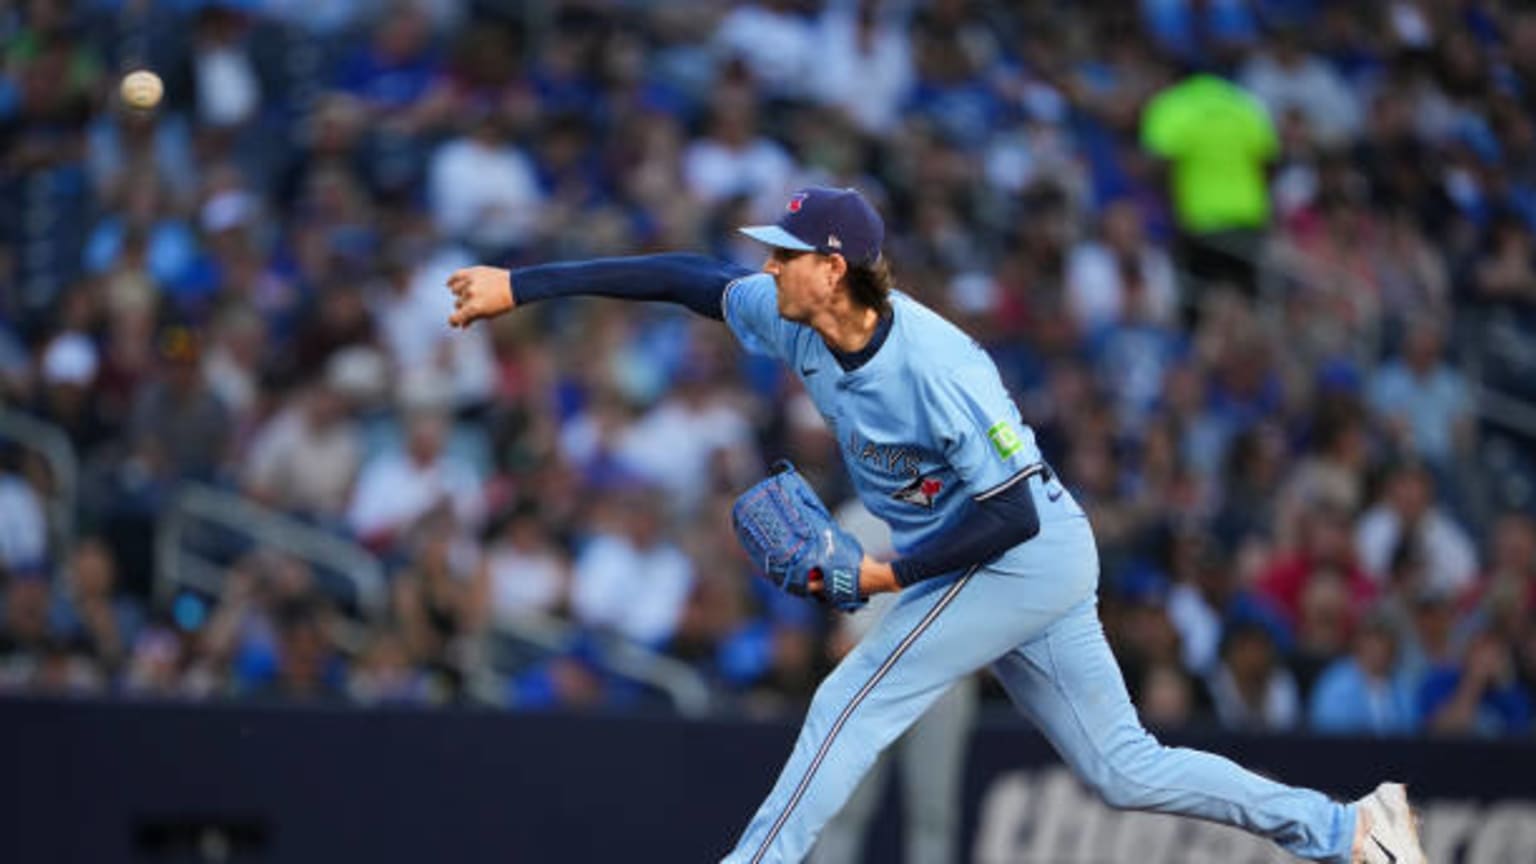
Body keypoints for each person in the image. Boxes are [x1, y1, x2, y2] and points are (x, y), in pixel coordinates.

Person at [444, 186, 1424, 864]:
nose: (767, 265)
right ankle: (1346, 831)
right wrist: (523, 287)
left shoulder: (942, 367)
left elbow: (1007, 511)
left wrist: (883, 577)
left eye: (785, 254)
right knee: (1123, 770)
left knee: (849, 697)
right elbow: (679, 276)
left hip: (1022, 550)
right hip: (992, 550)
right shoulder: (790, 317)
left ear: (833, 269)